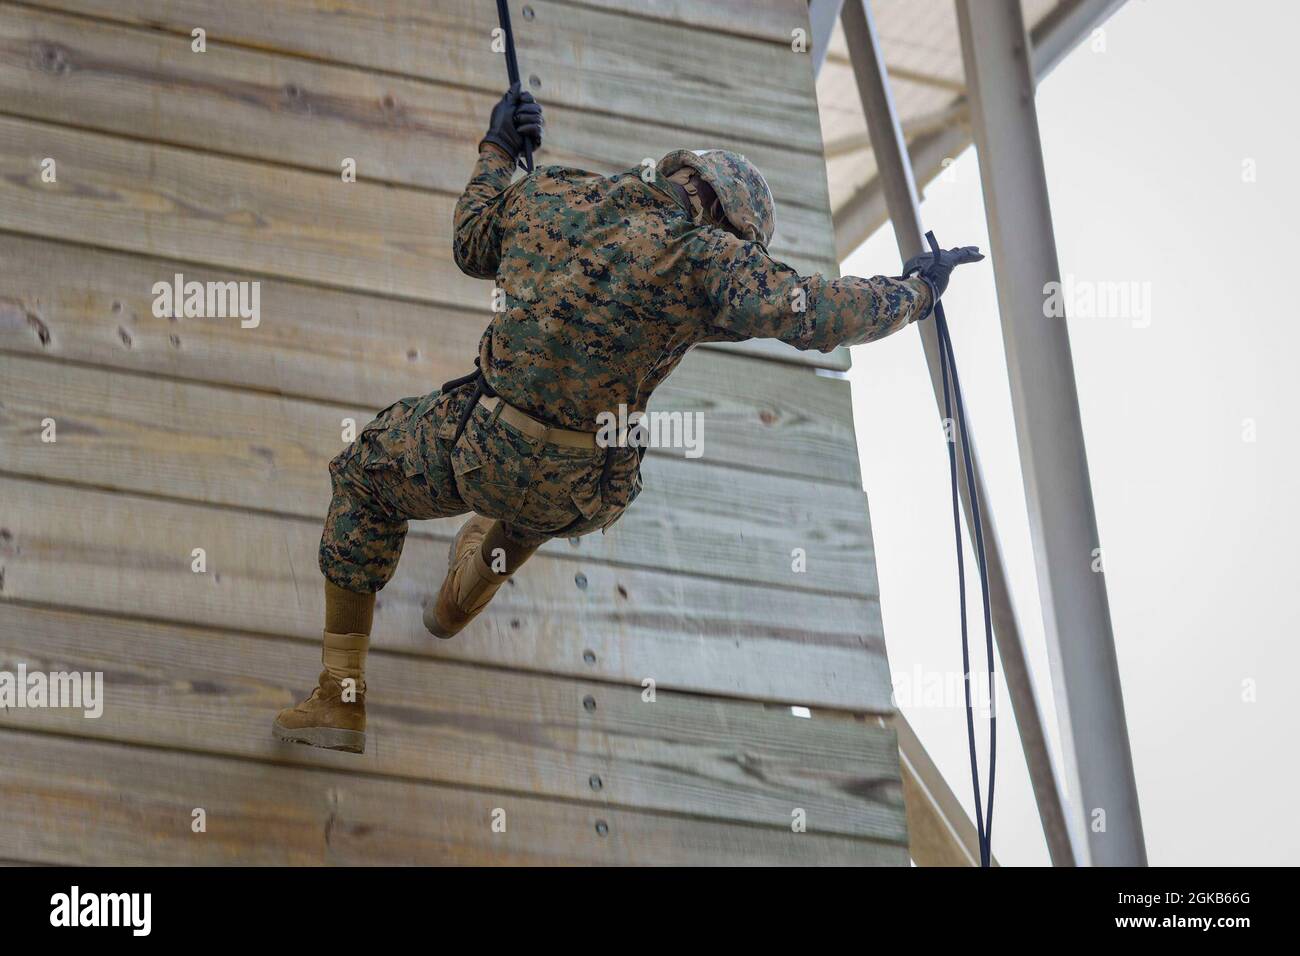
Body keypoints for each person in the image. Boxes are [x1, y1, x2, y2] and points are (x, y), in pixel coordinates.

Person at [273, 85, 982, 753]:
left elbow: (471, 244)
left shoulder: (555, 193)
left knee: (367, 477)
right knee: (542, 497)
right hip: (588, 485)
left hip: (485, 444)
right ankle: (466, 593)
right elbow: (820, 312)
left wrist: (496, 151)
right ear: (723, 219)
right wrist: (918, 291)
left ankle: (340, 695)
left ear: (681, 174)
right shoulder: (709, 261)